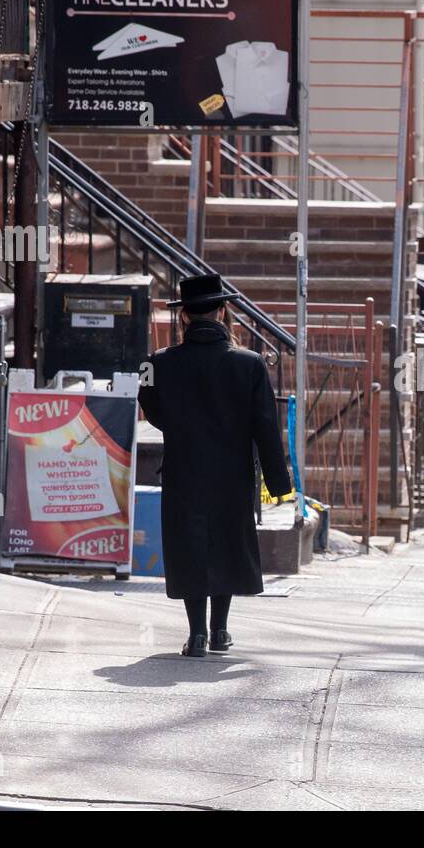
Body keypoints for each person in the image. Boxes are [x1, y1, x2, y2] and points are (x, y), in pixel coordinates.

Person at [136, 274, 293, 657]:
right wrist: (278, 483)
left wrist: (182, 426)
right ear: (222, 311)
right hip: (233, 473)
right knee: (226, 543)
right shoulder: (251, 364)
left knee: (190, 547)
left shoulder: (157, 363)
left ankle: (197, 635)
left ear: (185, 316)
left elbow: (151, 408)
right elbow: (266, 427)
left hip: (184, 469)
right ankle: (220, 631)